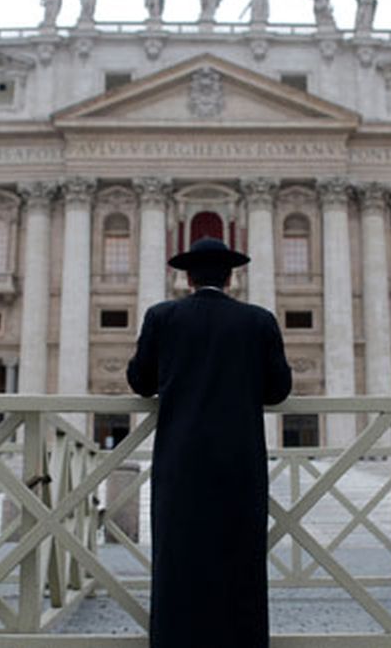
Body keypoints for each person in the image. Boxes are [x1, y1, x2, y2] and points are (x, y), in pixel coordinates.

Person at [127, 237, 292, 648]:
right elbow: (278, 390)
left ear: (187, 278)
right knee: (240, 557)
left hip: (180, 459)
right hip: (239, 461)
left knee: (178, 557)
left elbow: (140, 381)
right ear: (231, 278)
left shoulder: (162, 316)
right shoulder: (258, 320)